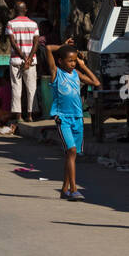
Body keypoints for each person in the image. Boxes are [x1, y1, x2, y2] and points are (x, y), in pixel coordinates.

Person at [45, 38, 101, 201]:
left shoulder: (76, 73)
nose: (73, 64)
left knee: (72, 155)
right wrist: (64, 46)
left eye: (74, 61)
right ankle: (74, 188)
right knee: (71, 151)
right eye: (69, 61)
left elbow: (95, 82)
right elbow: (48, 47)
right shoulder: (56, 73)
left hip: (78, 118)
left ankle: (64, 189)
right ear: (60, 61)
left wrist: (83, 66)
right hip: (62, 117)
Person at [6, 0, 40, 128]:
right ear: (26, 10)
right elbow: (36, 43)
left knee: (16, 88)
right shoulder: (33, 24)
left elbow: (13, 43)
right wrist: (29, 59)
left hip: (16, 60)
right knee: (31, 88)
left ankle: (19, 116)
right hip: (31, 62)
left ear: (15, 10)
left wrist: (23, 57)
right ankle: (30, 115)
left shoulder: (11, 24)